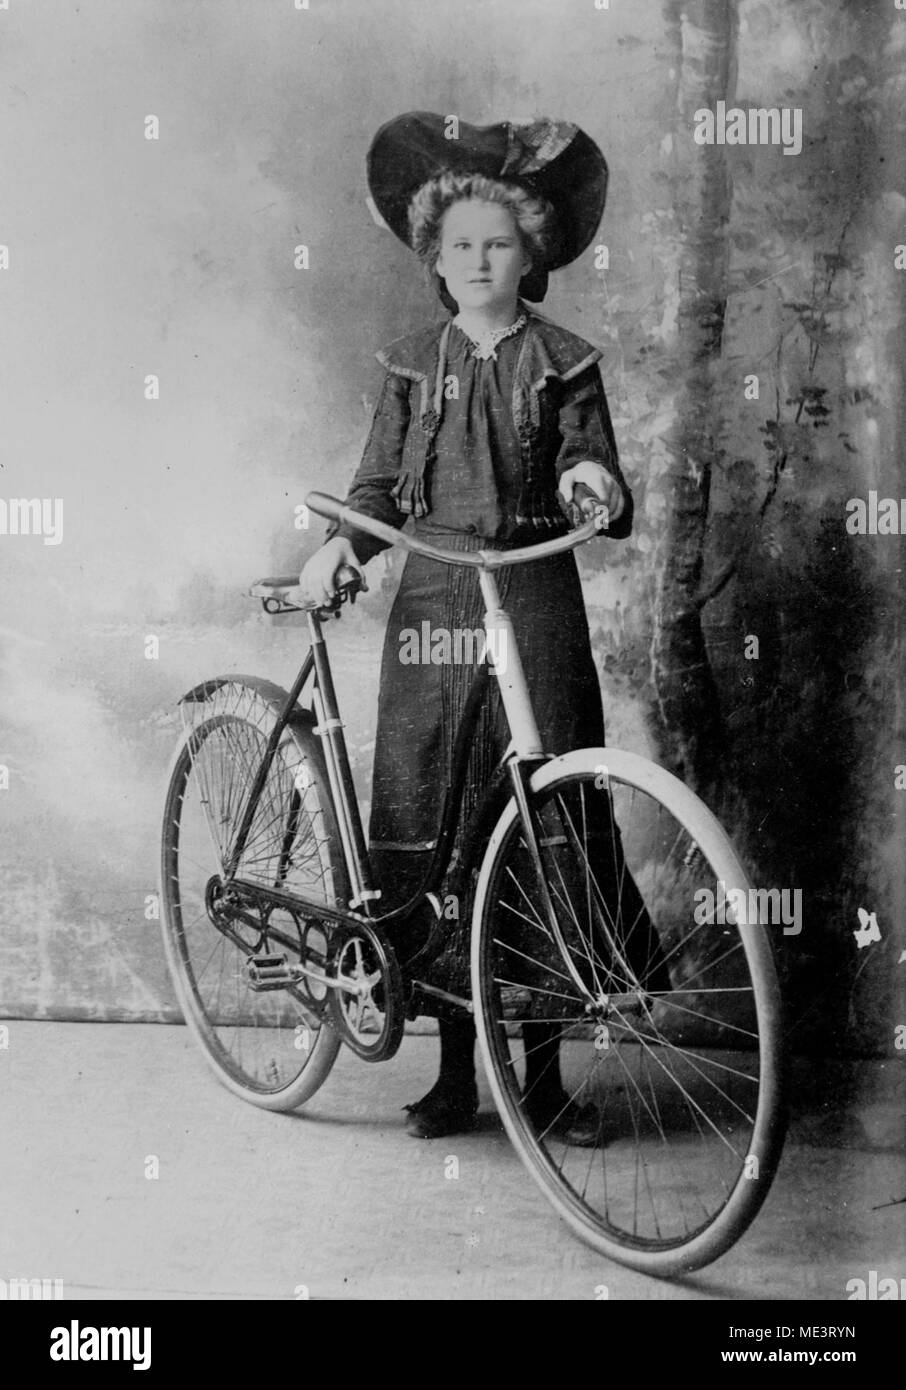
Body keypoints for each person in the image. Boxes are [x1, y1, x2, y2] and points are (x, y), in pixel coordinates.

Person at [299, 112, 663, 1141]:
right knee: (437, 819)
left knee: (547, 815)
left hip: (536, 601)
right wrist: (340, 547)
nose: (478, 260)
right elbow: (377, 487)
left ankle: (542, 1077)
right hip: (433, 607)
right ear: (435, 258)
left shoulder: (565, 361)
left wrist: (588, 477)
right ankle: (458, 1073)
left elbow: (594, 463)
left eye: (497, 243)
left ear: (531, 250)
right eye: (459, 244)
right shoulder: (412, 364)